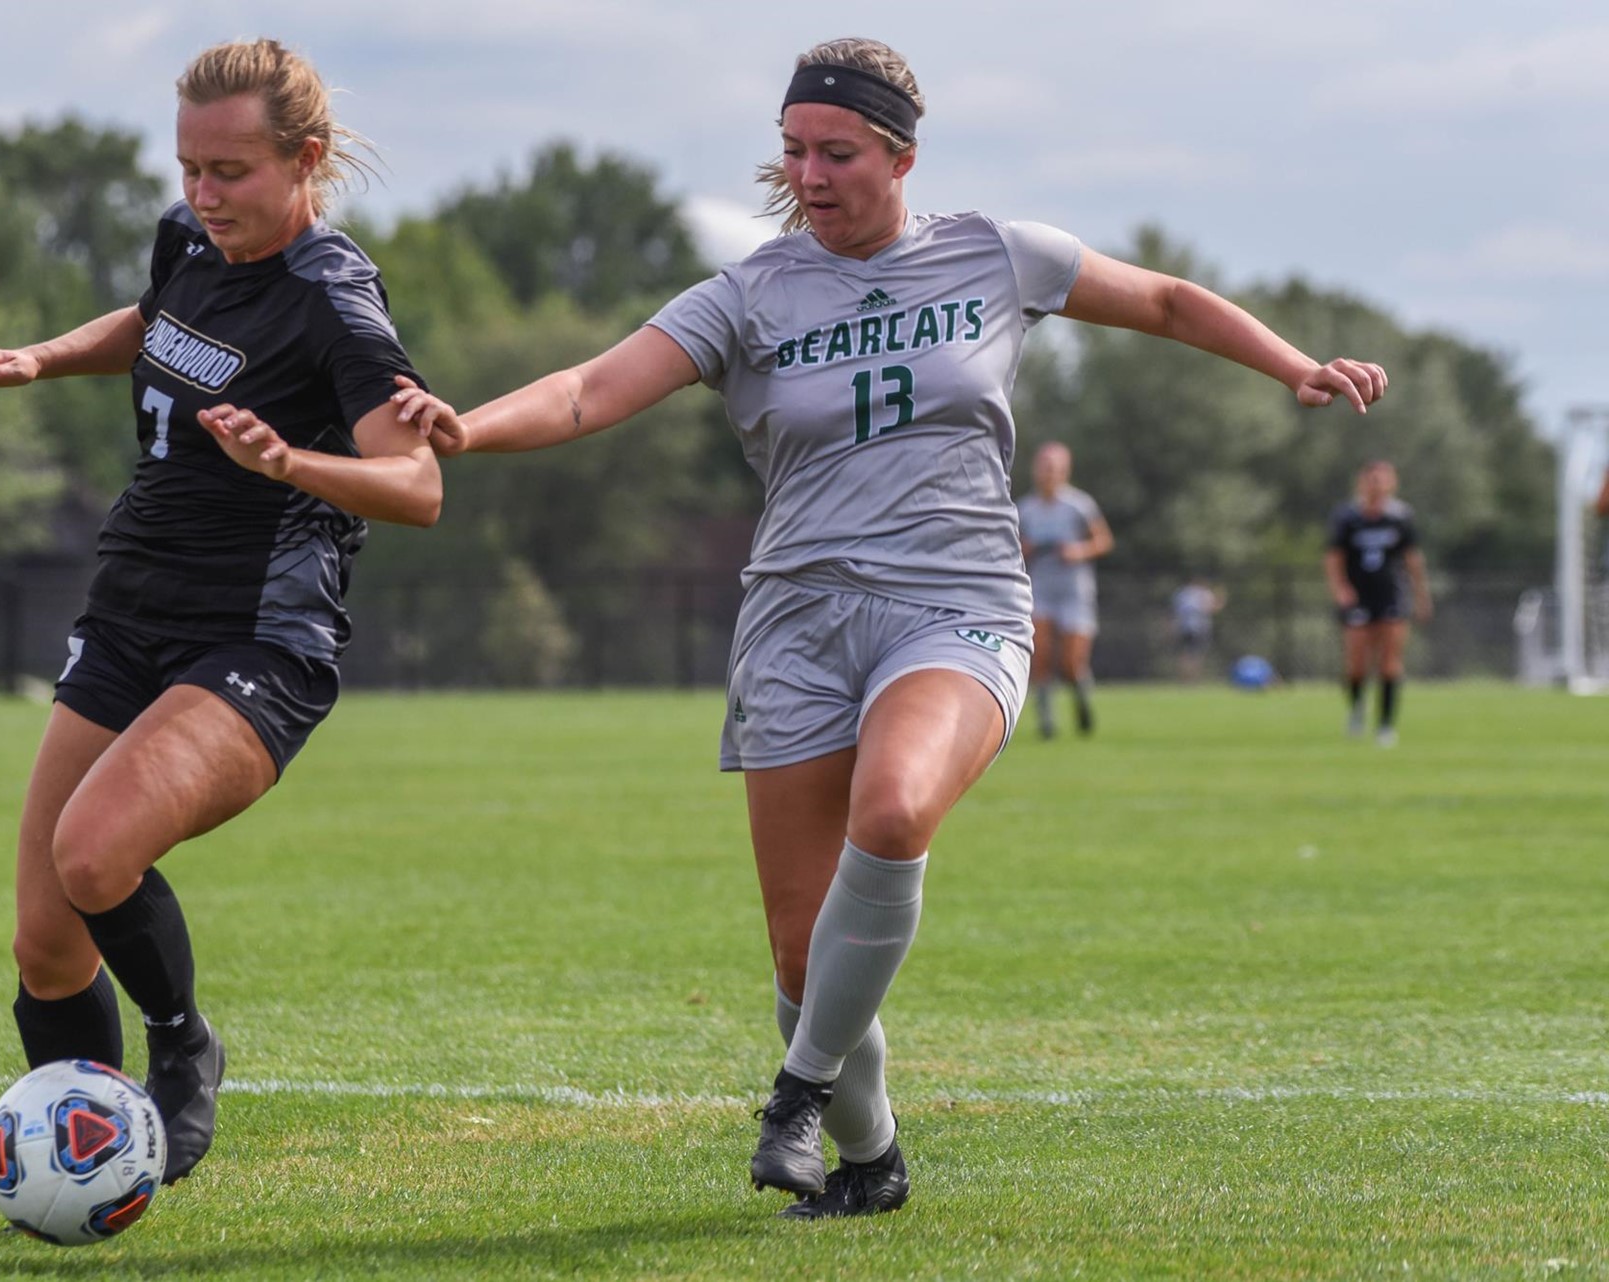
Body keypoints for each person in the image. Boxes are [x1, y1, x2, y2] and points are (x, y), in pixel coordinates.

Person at [391, 35, 1389, 1219]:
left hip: (956, 600)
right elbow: (584, 391)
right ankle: (869, 1157)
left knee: (897, 807)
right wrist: (464, 427)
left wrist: (1292, 368)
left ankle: (797, 1090)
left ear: (902, 154)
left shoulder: (991, 253)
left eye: (838, 152)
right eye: (793, 151)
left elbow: (1166, 300)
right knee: (803, 959)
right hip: (797, 623)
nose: (810, 175)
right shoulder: (749, 293)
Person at [0, 38, 442, 1188]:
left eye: (231, 173)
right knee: (45, 935)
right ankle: (91, 1167)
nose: (204, 197)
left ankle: (181, 1044)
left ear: (304, 161)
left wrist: (290, 461)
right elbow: (162, 323)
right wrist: (39, 358)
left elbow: (418, 485)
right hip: (128, 610)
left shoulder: (334, 300)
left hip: (256, 637)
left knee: (94, 853)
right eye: (189, 169)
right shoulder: (187, 239)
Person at [1324, 460, 1429, 746]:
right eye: (1371, 479)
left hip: (1392, 594)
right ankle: (1357, 710)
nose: (1377, 485)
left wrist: (1421, 595)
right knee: (1357, 663)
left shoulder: (1400, 517)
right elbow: (1334, 559)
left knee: (1390, 662)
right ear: (1361, 483)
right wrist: (1341, 590)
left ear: (1392, 483)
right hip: (1358, 595)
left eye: (1382, 480)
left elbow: (1412, 559)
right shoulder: (1347, 517)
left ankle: (1385, 725)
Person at [1017, 442, 1112, 735]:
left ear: (1064, 471)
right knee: (1041, 654)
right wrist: (1024, 549)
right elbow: (1011, 550)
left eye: (1054, 468)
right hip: (1041, 590)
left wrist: (1078, 551)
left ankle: (1081, 699)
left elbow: (1103, 541)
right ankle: (1046, 721)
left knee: (1071, 662)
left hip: (1075, 591)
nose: (1048, 473)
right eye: (1043, 467)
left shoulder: (1079, 505)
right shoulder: (1025, 509)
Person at [1169, 575, 1224, 683]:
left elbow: (1175, 612)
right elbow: (1211, 608)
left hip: (1184, 627)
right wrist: (1221, 600)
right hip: (1200, 627)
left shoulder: (1182, 594)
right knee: (1197, 654)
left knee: (1185, 654)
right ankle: (1193, 679)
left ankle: (1184, 679)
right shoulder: (1203, 593)